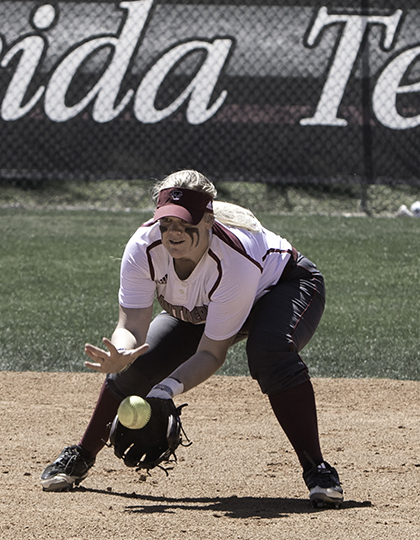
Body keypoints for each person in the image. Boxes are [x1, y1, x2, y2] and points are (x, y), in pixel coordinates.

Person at [40, 170, 343, 507]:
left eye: (186, 224)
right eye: (167, 223)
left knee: (268, 352)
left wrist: (165, 391)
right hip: (200, 309)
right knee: (138, 367)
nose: (174, 233)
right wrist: (123, 352)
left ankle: (318, 469)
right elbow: (132, 325)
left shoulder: (233, 260)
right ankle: (81, 455)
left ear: (208, 221)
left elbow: (212, 353)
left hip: (282, 288)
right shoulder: (143, 248)